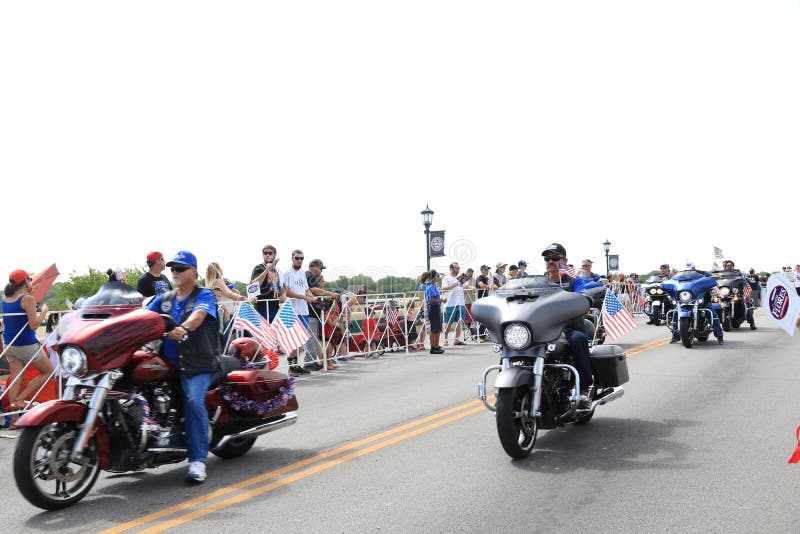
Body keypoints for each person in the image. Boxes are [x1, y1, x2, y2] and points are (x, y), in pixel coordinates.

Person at [146, 251, 218, 483]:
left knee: (193, 402)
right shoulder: (165, 298)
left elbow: (199, 315)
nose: (174, 272)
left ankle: (197, 461)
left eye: (180, 268)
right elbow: (142, 315)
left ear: (194, 271)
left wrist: (184, 328)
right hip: (167, 363)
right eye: (172, 269)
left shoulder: (204, 294)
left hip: (198, 364)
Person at [2, 270, 54, 428]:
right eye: (29, 279)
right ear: (24, 282)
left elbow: (21, 305)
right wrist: (44, 311)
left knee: (16, 379)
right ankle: (20, 400)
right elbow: (34, 325)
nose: (31, 281)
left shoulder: (5, 298)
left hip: (9, 345)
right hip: (26, 345)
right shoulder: (28, 299)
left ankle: (14, 420)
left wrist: (30, 292)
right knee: (48, 371)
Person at [541, 243, 592, 405]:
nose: (550, 261)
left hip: (569, 328)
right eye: (547, 258)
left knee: (578, 339)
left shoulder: (574, 281)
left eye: (555, 258)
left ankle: (583, 388)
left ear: (564, 260)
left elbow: (583, 298)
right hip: (541, 329)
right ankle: (507, 392)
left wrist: (582, 302)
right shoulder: (538, 282)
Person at [669, 261, 724, 344]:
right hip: (685, 300)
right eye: (687, 269)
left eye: (691, 269)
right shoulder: (681, 276)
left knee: (712, 314)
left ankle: (720, 336)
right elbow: (673, 281)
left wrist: (712, 276)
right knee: (675, 313)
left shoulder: (702, 273)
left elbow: (714, 276)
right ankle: (675, 337)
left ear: (694, 268)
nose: (689, 271)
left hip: (703, 299)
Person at [281, 250, 316, 376]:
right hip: (292, 310)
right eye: (297, 258)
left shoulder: (302, 273)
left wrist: (311, 296)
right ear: (292, 258)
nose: (299, 260)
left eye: (302, 258)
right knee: (292, 340)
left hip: (303, 310)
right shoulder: (286, 273)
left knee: (299, 341)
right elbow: (287, 292)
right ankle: (292, 367)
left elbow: (306, 289)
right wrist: (304, 297)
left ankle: (296, 365)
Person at [305, 259, 340, 370]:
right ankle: (309, 362)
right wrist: (331, 294)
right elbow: (314, 290)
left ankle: (312, 361)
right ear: (314, 266)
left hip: (311, 311)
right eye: (320, 268)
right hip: (309, 311)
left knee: (314, 338)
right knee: (312, 337)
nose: (321, 271)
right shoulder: (309, 275)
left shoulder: (309, 276)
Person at [205, 262, 247, 330]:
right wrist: (245, 298)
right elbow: (230, 295)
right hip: (227, 314)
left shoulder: (211, 283)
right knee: (230, 338)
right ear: (218, 269)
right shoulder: (218, 281)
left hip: (219, 314)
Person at [250, 244, 282, 323]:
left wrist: (283, 295)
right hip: (261, 307)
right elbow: (254, 284)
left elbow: (282, 286)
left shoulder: (277, 270)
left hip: (275, 307)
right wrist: (266, 270)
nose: (267, 255)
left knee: (274, 334)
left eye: (270, 253)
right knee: (262, 334)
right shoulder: (258, 268)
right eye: (265, 253)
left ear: (274, 255)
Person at [721, 260, 756, 330]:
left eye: (730, 265)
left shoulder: (738, 272)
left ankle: (752, 323)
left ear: (733, 266)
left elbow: (743, 278)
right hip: (726, 292)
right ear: (725, 266)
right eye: (727, 265)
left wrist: (745, 278)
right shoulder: (722, 273)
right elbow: (717, 279)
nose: (729, 267)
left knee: (746, 305)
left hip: (736, 291)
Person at [442, 262, 468, 346]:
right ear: (451, 268)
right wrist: (452, 286)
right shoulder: (447, 278)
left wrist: (472, 287)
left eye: (458, 268)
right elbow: (444, 288)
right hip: (450, 303)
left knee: (460, 322)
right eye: (456, 268)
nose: (458, 269)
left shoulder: (461, 277)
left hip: (461, 302)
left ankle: (457, 340)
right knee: (449, 322)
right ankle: (445, 339)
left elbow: (466, 286)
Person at [425, 270, 447, 354]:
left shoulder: (433, 286)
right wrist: (441, 300)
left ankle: (436, 345)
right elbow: (431, 299)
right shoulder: (431, 287)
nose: (438, 278)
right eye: (437, 276)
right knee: (434, 329)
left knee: (437, 328)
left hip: (436, 308)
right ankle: (433, 347)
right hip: (433, 308)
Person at [475, 265, 492, 341]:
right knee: (481, 318)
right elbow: (481, 285)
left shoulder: (488, 278)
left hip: (487, 300)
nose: (487, 271)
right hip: (480, 300)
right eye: (485, 270)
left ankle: (483, 335)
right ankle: (479, 336)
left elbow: (492, 286)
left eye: (487, 270)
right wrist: (488, 286)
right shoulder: (479, 277)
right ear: (481, 270)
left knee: (486, 318)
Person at [413, 272, 430, 350]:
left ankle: (424, 343)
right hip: (424, 308)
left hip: (430, 307)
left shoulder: (429, 286)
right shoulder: (422, 286)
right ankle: (421, 343)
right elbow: (421, 298)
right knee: (424, 326)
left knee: (428, 326)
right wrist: (424, 308)